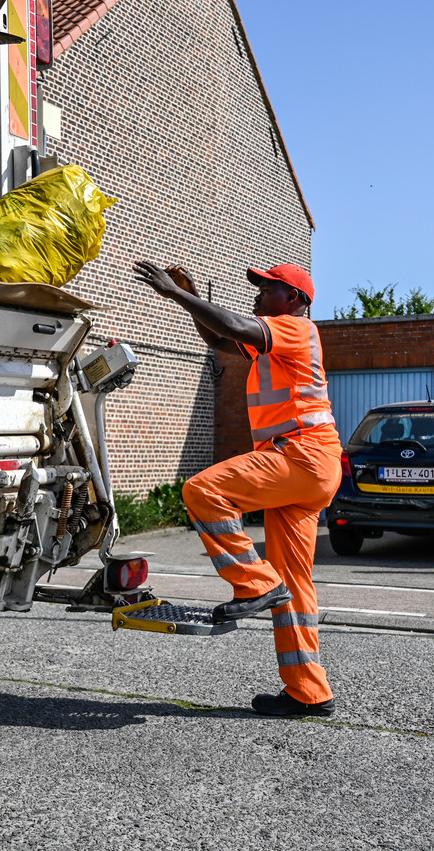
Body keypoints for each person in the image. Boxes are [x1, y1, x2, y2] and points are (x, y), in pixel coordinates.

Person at [131, 260, 342, 718]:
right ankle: (308, 691)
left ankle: (255, 583)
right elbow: (220, 339)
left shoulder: (296, 329)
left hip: (301, 455)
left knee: (203, 491)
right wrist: (191, 301)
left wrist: (176, 294)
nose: (258, 294)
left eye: (267, 288)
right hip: (310, 466)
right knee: (294, 586)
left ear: (294, 299)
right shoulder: (273, 343)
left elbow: (233, 324)